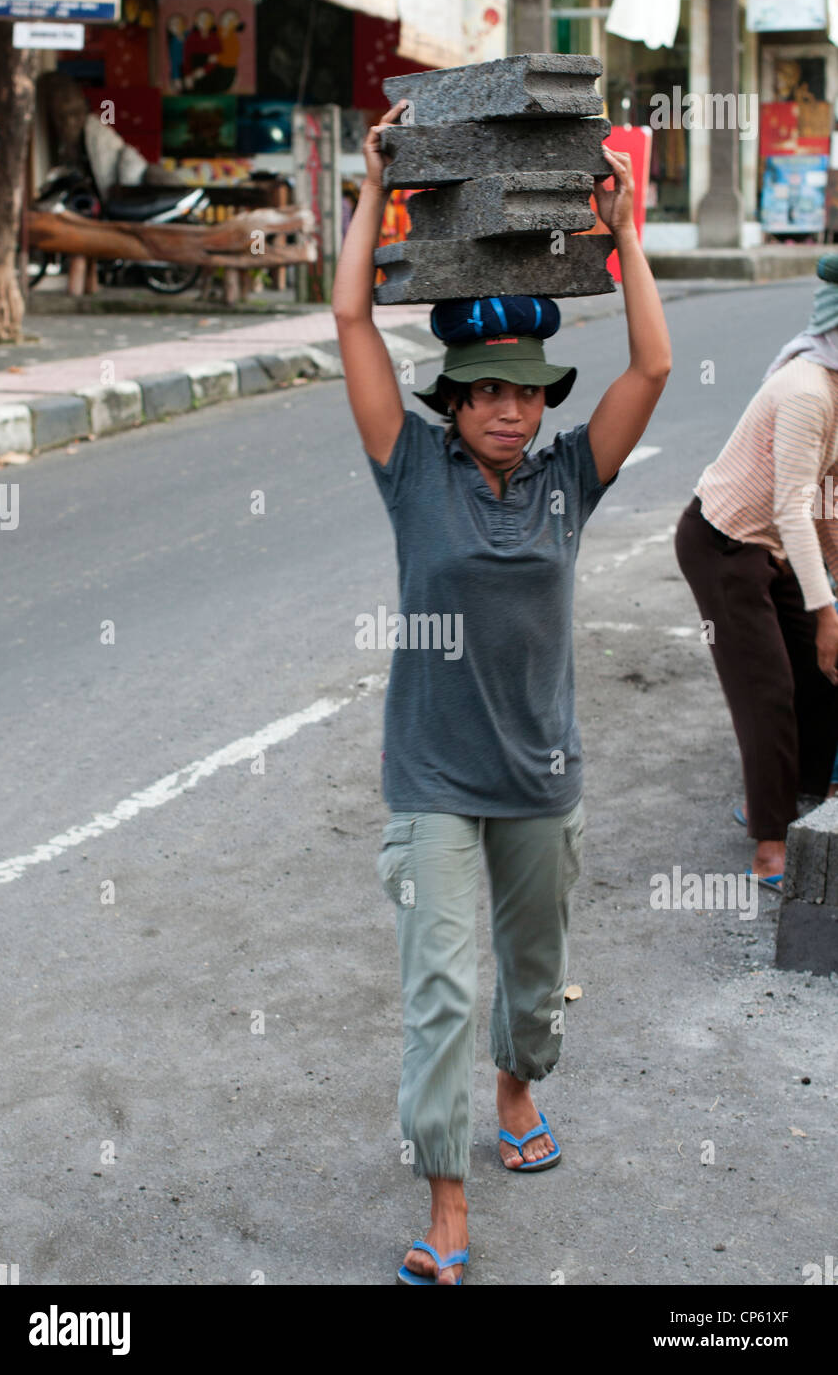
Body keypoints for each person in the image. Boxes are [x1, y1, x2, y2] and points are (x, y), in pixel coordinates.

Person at [332, 99, 672, 1285]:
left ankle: (519, 1080)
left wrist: (621, 234)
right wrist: (374, 184)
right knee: (438, 987)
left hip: (538, 773)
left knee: (530, 978)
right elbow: (349, 319)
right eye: (484, 390)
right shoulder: (411, 472)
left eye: (524, 391)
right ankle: (447, 1200)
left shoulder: (571, 479)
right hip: (429, 774)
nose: (507, 409)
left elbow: (655, 364)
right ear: (453, 398)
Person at [675, 255, 838, 891]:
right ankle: (769, 845)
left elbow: (827, 501)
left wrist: (834, 590)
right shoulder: (807, 390)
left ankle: (804, 791)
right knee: (766, 688)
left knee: (825, 672)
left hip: (776, 545)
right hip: (723, 544)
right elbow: (791, 507)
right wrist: (826, 611)